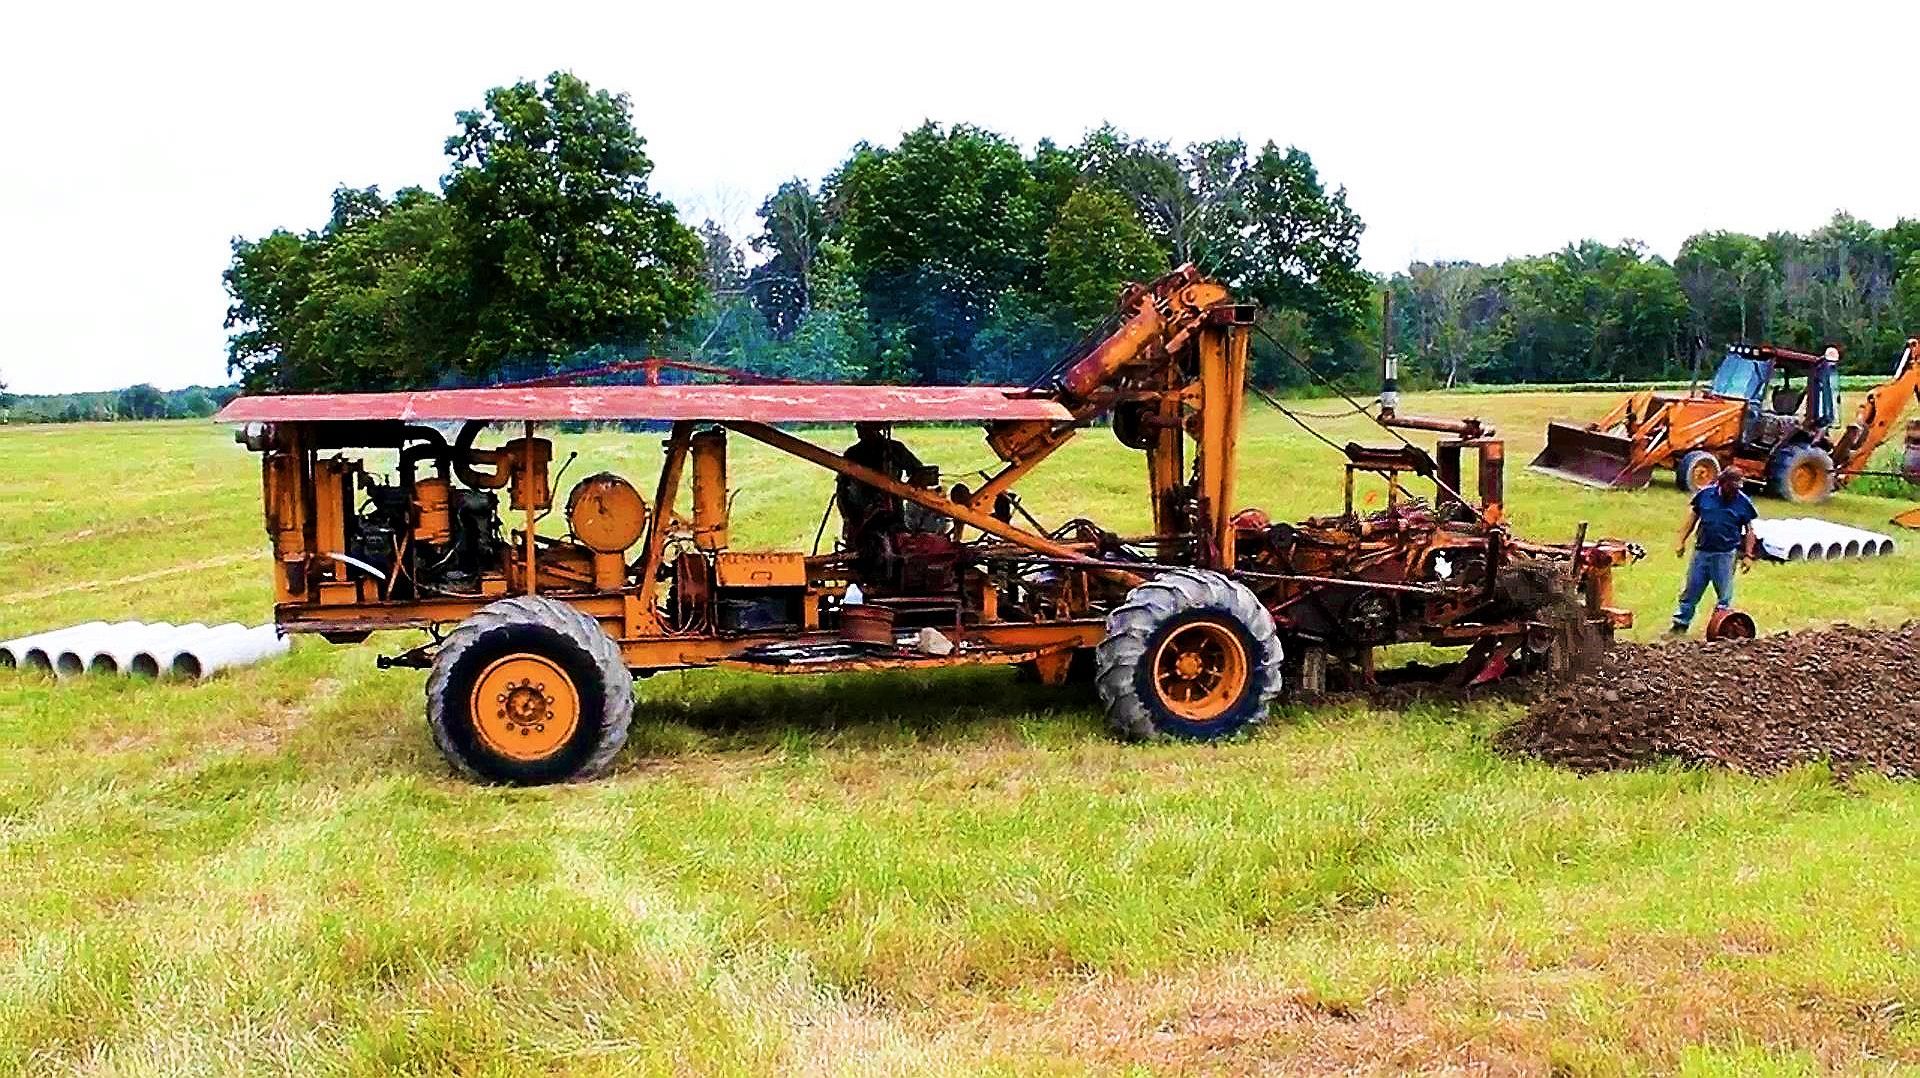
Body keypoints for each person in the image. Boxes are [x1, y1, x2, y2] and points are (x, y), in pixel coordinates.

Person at [1669, 463, 1758, 635]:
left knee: (1724, 596)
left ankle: (1720, 629)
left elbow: (1749, 531)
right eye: (1731, 487)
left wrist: (1748, 555)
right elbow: (1693, 518)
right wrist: (1681, 540)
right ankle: (1680, 624)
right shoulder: (1705, 495)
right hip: (1702, 551)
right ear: (1722, 483)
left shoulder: (1743, 502)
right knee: (1691, 591)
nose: (1735, 492)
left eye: (1737, 488)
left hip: (1726, 554)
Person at [837, 422, 922, 541]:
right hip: (861, 512)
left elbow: (919, 471)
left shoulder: (895, 450)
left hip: (893, 509)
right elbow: (842, 488)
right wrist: (848, 517)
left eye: (862, 427)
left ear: (875, 429)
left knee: (894, 540)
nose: (858, 431)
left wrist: (905, 490)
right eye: (858, 427)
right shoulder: (852, 453)